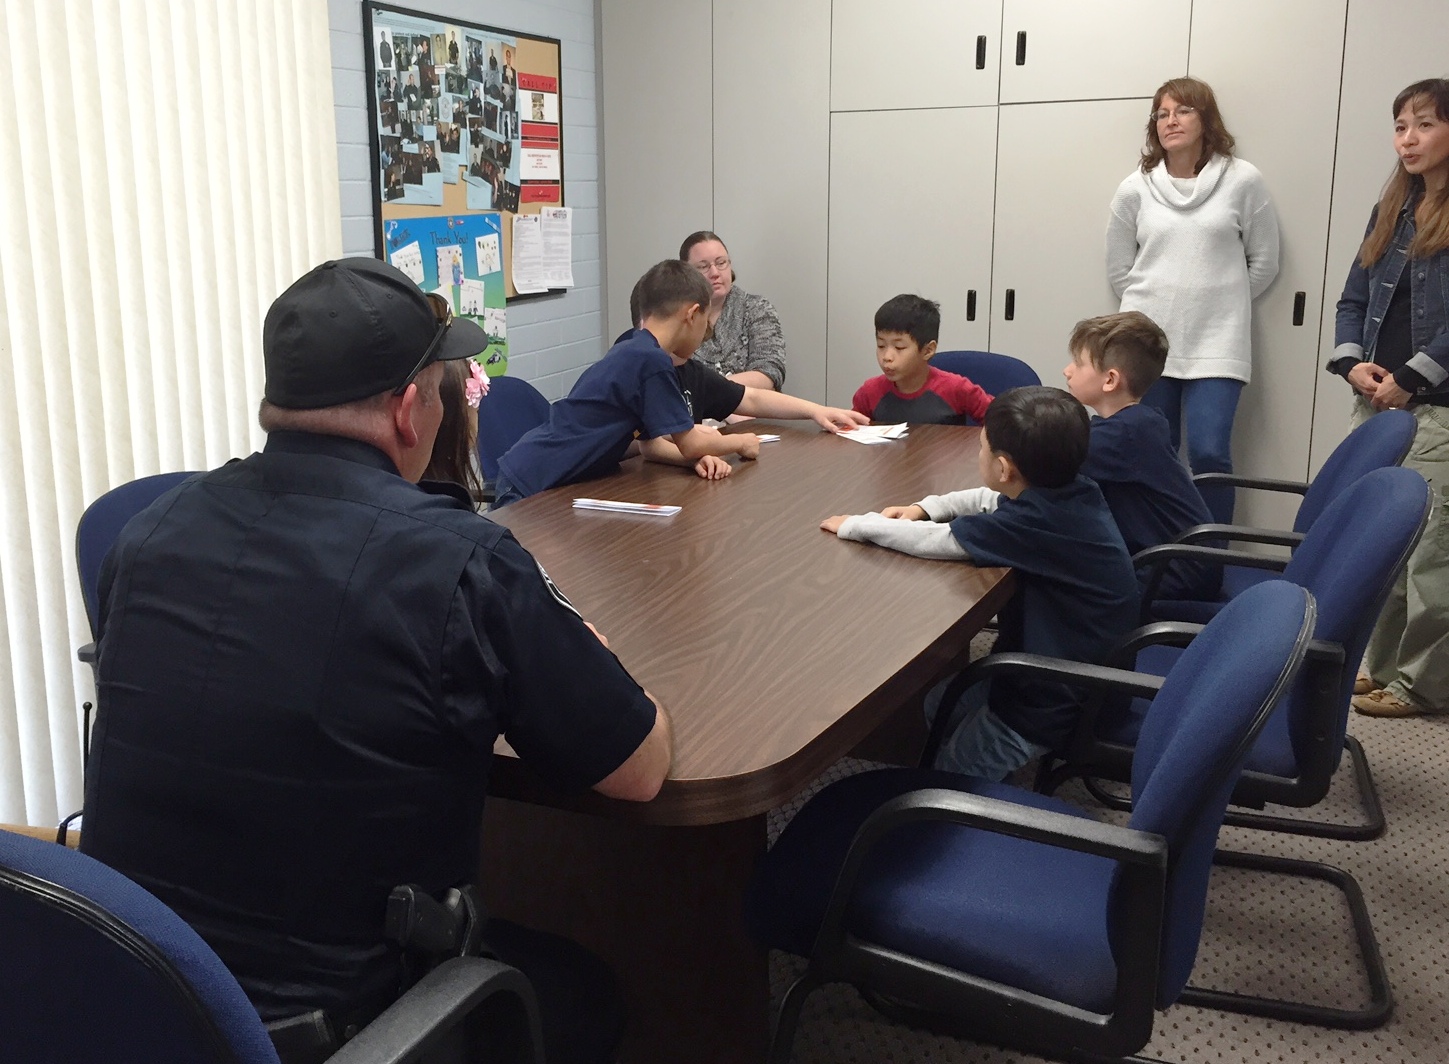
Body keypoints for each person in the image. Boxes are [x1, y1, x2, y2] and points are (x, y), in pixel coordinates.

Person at [79, 258, 672, 1064]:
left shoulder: (148, 534)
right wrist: (593, 655)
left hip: (135, 995)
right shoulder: (462, 561)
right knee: (590, 991)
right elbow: (636, 769)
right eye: (442, 388)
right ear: (406, 410)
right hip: (350, 1030)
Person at [820, 387, 1138, 781]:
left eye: (981, 447)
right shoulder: (1069, 494)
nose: (978, 454)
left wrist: (857, 525)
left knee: (945, 776)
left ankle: (955, 806)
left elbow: (940, 542)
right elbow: (990, 499)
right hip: (1064, 668)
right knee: (938, 702)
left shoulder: (1033, 525)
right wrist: (927, 507)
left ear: (1005, 468)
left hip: (1049, 701)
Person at [1328, 77, 1449, 719]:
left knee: (1431, 553)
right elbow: (1353, 297)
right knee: (1381, 543)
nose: (1408, 138)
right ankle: (1382, 667)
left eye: (1425, 124)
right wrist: (1353, 364)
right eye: (1401, 125)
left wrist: (1414, 375)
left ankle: (1420, 682)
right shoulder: (1393, 209)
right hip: (1377, 400)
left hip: (1437, 406)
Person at [1106, 76, 1280, 524]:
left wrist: (1219, 302)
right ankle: (1159, 552)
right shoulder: (1135, 188)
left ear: (1206, 119)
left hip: (1217, 342)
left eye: (1182, 111)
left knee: (1209, 454)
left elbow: (1263, 263)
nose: (1170, 121)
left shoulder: (1243, 180)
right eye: (1162, 114)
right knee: (1152, 453)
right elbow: (1120, 271)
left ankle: (1210, 561)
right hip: (1146, 346)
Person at [493, 260, 762, 507]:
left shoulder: (635, 349)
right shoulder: (651, 361)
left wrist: (698, 457)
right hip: (532, 481)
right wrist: (741, 442)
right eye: (704, 323)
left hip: (547, 476)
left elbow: (654, 444)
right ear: (692, 315)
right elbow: (689, 443)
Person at [1062, 311, 1218, 602]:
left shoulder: (1123, 436)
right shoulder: (1138, 422)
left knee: (1050, 568)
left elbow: (1042, 460)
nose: (1067, 371)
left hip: (1171, 572)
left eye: (1078, 363)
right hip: (1184, 562)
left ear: (1110, 380)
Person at [624, 278, 869, 432]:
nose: (706, 334)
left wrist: (816, 410)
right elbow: (650, 444)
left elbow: (751, 399)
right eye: (704, 326)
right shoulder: (641, 362)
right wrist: (721, 444)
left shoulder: (690, 371)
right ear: (690, 317)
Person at [851, 294, 993, 424]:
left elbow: (1002, 421)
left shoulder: (956, 388)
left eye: (899, 347)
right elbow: (850, 433)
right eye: (881, 346)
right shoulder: (870, 392)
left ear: (928, 350)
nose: (887, 357)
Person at [680, 230, 787, 390]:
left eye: (721, 263)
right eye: (703, 267)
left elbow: (769, 373)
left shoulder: (757, 309)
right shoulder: (678, 317)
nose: (715, 273)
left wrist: (708, 389)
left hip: (753, 411)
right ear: (686, 274)